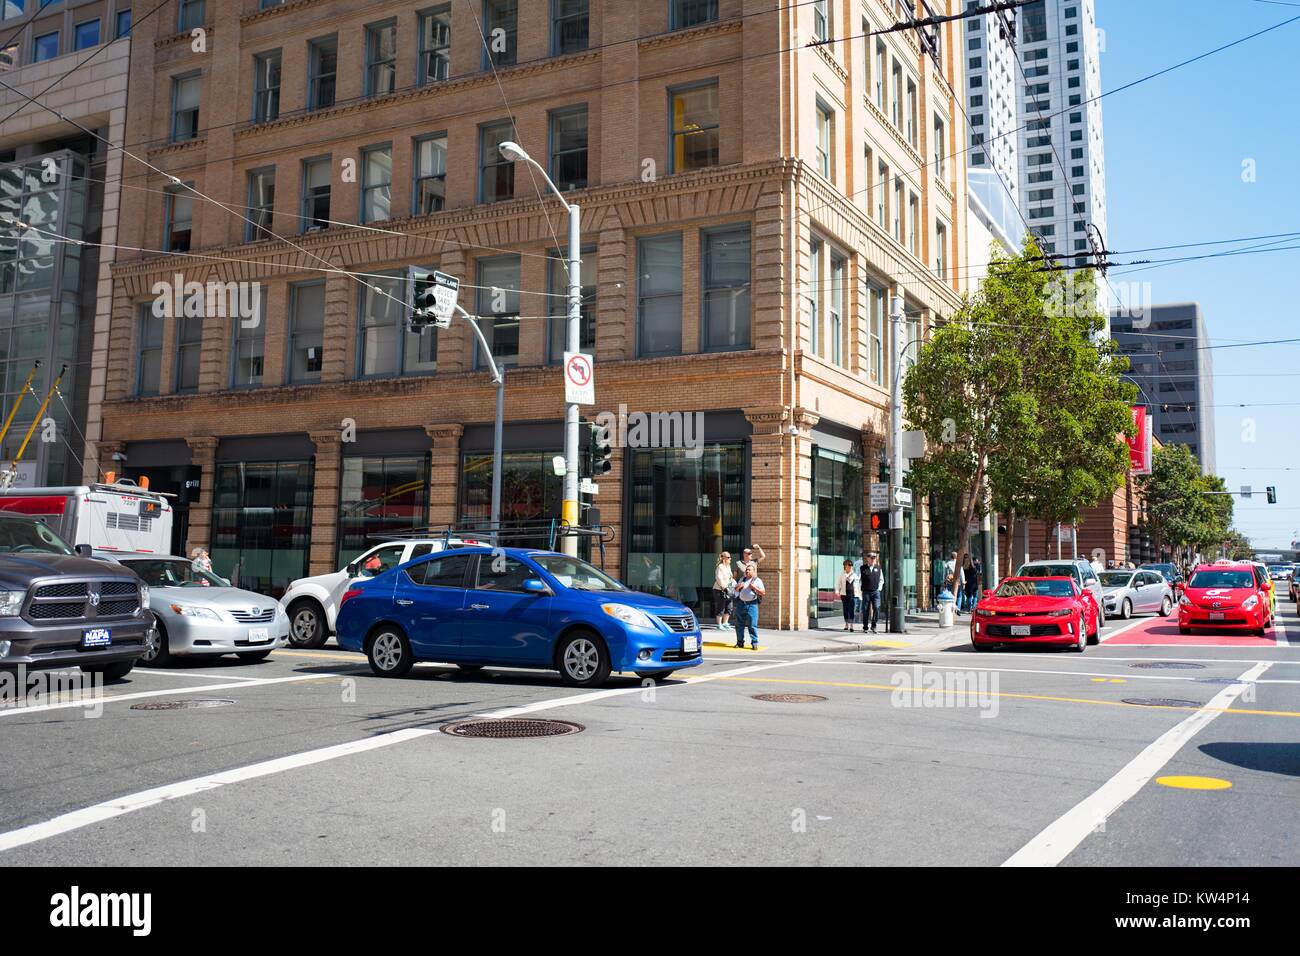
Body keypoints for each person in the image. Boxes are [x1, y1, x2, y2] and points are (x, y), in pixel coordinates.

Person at [732, 563, 765, 650]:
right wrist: (739, 586)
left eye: (749, 570)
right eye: (746, 570)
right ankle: (740, 642)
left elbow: (763, 592)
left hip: (752, 604)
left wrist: (754, 587)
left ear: (753, 572)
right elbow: (735, 590)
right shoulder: (742, 579)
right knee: (739, 624)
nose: (747, 571)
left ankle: (754, 643)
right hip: (741, 604)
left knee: (752, 625)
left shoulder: (757, 580)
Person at [860, 552, 883, 633]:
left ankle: (874, 626)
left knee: (876, 607)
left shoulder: (878, 568)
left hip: (875, 592)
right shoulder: (862, 568)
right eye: (871, 558)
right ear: (867, 558)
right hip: (866, 592)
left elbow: (881, 580)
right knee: (865, 609)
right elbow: (858, 580)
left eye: (874, 558)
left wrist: (879, 589)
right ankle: (865, 627)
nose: (873, 559)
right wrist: (860, 591)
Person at [835, 559, 859, 632]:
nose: (850, 567)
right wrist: (837, 591)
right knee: (845, 610)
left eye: (851, 565)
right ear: (845, 566)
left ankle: (851, 625)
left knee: (851, 610)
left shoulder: (855, 575)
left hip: (853, 595)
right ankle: (846, 624)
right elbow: (838, 584)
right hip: (844, 595)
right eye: (848, 565)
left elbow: (858, 585)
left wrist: (859, 594)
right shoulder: (842, 574)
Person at [713, 552, 735, 631]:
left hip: (728, 589)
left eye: (730, 557)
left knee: (729, 606)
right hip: (720, 590)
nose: (730, 559)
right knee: (721, 607)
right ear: (724, 558)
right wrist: (724, 587)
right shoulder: (720, 567)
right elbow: (719, 578)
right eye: (729, 557)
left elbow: (730, 578)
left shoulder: (728, 567)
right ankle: (719, 624)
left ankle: (725, 623)